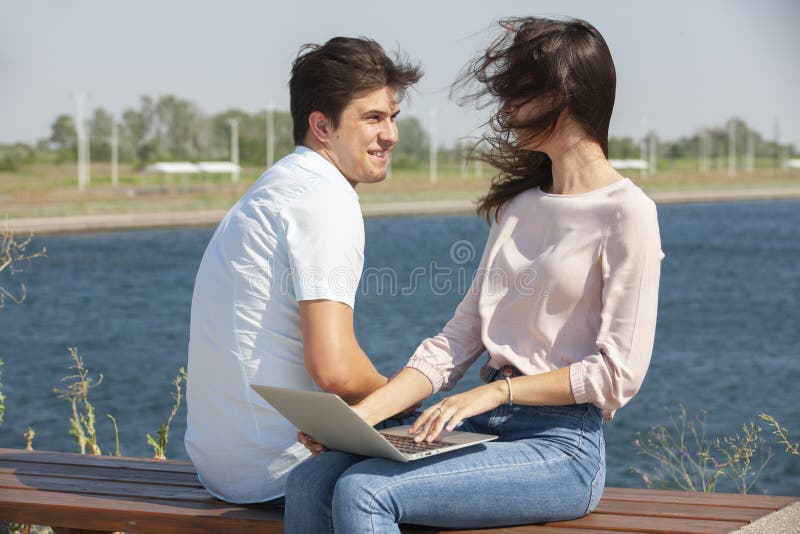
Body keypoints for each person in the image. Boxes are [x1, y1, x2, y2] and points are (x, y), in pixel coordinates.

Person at [285, 17, 664, 532]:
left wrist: (497, 391)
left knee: (365, 493)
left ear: (564, 96)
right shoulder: (520, 209)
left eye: (519, 93)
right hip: (482, 427)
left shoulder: (628, 212)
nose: (506, 109)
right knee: (311, 479)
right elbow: (454, 345)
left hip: (562, 446)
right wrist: (360, 420)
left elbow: (617, 375)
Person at [184, 37, 422, 504]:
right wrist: (407, 400)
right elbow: (334, 369)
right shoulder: (324, 198)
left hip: (222, 468)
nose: (390, 134)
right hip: (281, 473)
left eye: (393, 117)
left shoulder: (277, 185)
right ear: (322, 126)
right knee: (479, 456)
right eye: (372, 118)